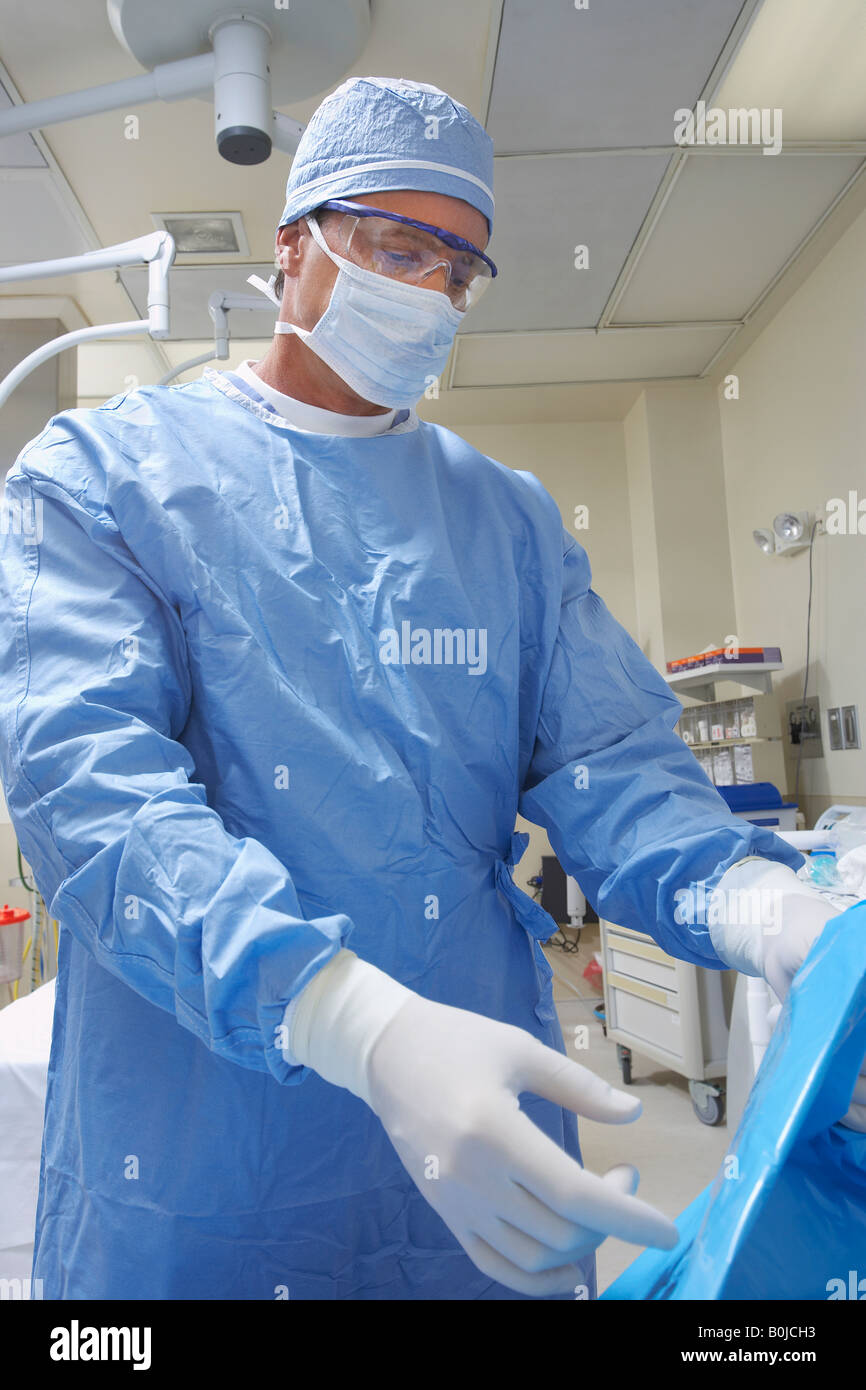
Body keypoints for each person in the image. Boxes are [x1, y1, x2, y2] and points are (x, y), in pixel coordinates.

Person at [0, 77, 860, 1303]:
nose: (429, 288)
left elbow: (614, 767)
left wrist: (759, 906)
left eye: (459, 267)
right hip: (199, 1154)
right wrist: (356, 1022)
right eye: (396, 244)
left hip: (476, 1148)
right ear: (292, 248)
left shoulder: (504, 519)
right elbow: (94, 798)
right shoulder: (102, 478)